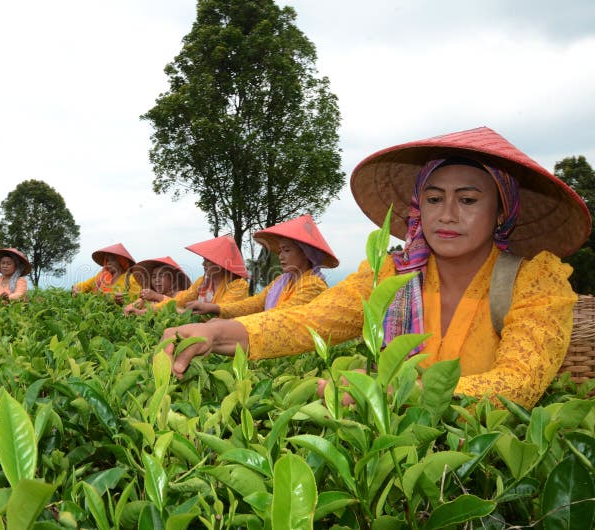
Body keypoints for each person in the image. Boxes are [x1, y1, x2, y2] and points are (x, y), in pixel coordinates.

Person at [161, 127, 591, 408]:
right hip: (396, 455)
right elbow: (311, 321)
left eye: (469, 200)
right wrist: (218, 333)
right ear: (418, 207)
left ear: (501, 212)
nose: (447, 214)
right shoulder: (393, 273)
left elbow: (518, 384)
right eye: (435, 199)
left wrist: (391, 396)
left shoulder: (534, 281)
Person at [185, 214, 335, 318]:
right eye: (280, 250)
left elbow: (281, 316)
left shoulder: (313, 285)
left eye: (287, 250)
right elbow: (256, 303)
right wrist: (216, 308)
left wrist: (231, 322)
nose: (281, 256)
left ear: (306, 253)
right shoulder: (282, 281)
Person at [156, 235, 250, 311]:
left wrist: (182, 312)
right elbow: (181, 300)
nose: (203, 264)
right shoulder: (202, 282)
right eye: (204, 260)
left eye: (207, 261)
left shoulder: (238, 285)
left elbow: (224, 311)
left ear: (220, 263)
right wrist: (154, 308)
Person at [72, 243, 141, 304]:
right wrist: (77, 288)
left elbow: (137, 300)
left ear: (121, 261)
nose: (108, 263)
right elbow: (85, 285)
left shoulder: (131, 279)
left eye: (112, 260)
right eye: (107, 260)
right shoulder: (101, 277)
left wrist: (124, 301)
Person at [123, 256, 192, 316]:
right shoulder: (149, 297)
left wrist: (157, 296)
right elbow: (131, 307)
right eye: (153, 277)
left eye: (161, 276)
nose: (156, 280)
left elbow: (177, 306)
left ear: (173, 279)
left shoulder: (180, 295)